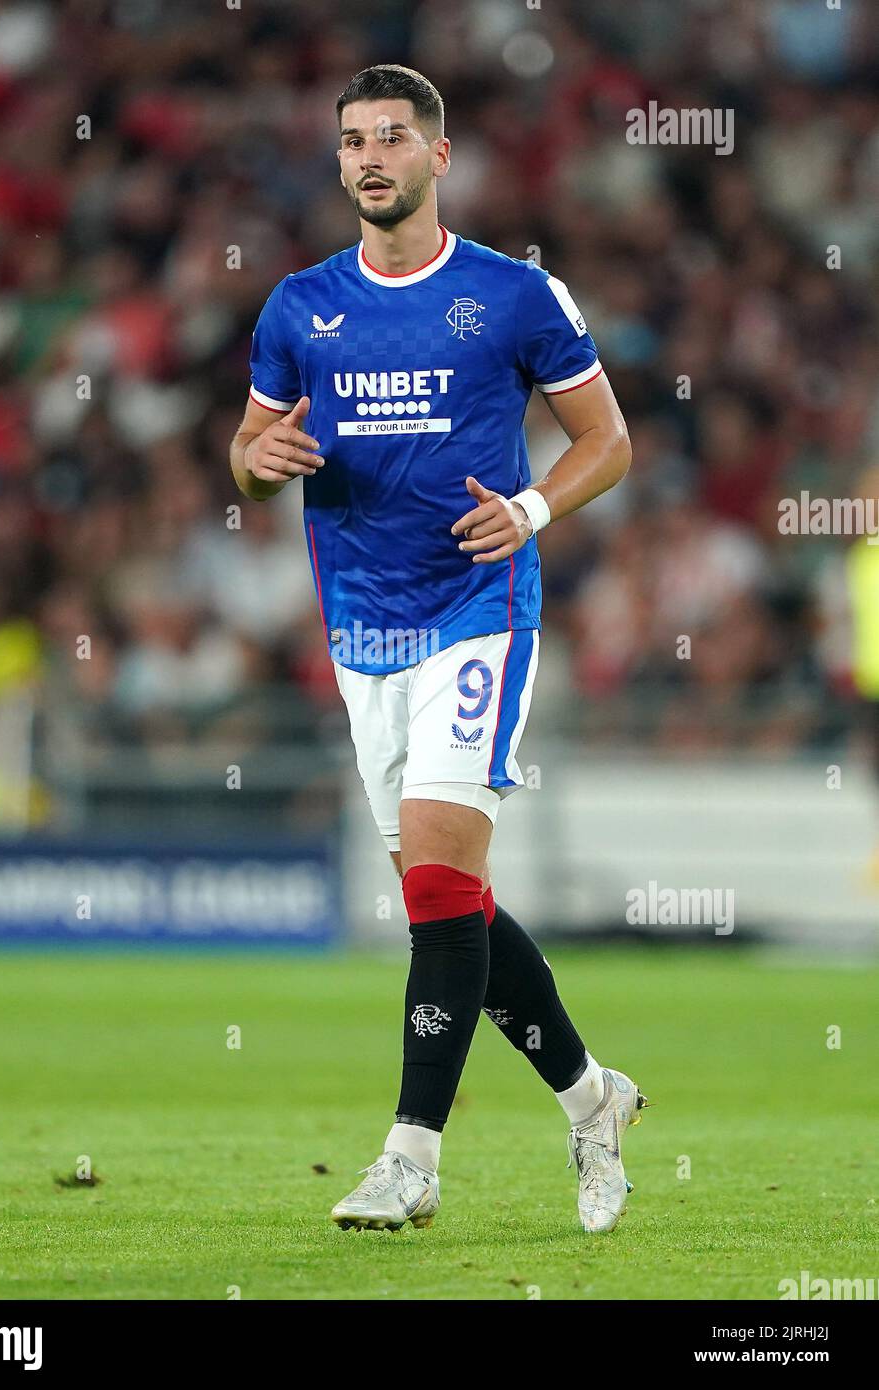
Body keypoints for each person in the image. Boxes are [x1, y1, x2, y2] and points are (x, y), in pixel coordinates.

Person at [230, 64, 645, 1235]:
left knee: (432, 884)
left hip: (479, 609)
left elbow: (606, 441)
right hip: (362, 629)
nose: (371, 157)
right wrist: (254, 466)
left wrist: (532, 509)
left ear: (439, 156)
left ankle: (409, 1158)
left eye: (394, 138)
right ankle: (590, 1095)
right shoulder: (297, 307)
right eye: (354, 140)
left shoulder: (514, 295)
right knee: (445, 900)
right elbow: (247, 449)